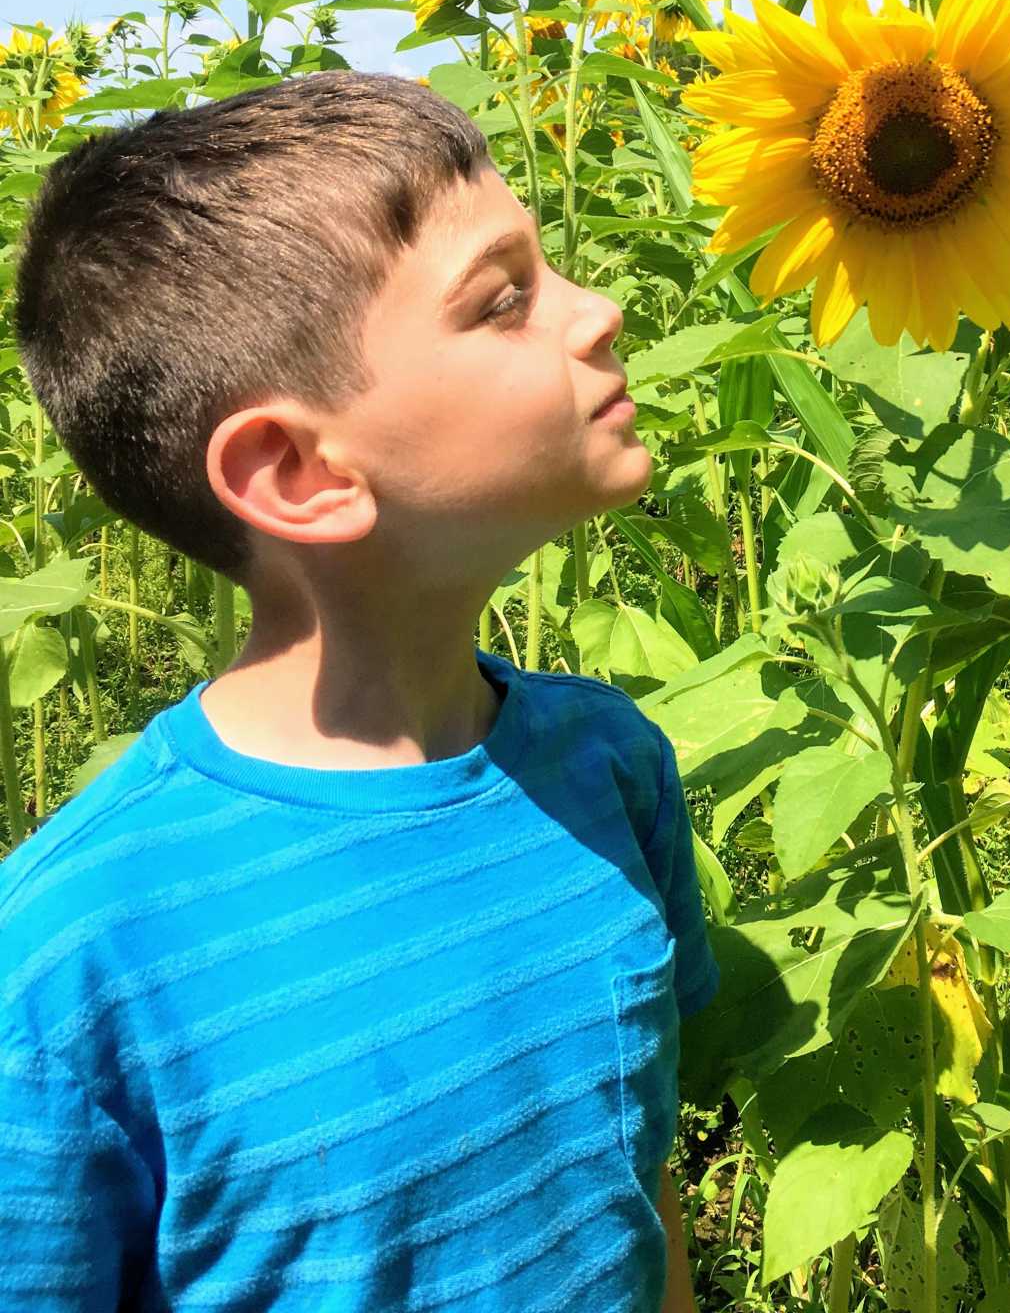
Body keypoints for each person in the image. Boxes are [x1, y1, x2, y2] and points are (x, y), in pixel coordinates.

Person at [3, 70, 719, 1312]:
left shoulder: (608, 766)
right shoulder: (77, 954)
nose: (597, 311)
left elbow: (638, 1188)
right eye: (505, 300)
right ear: (297, 471)